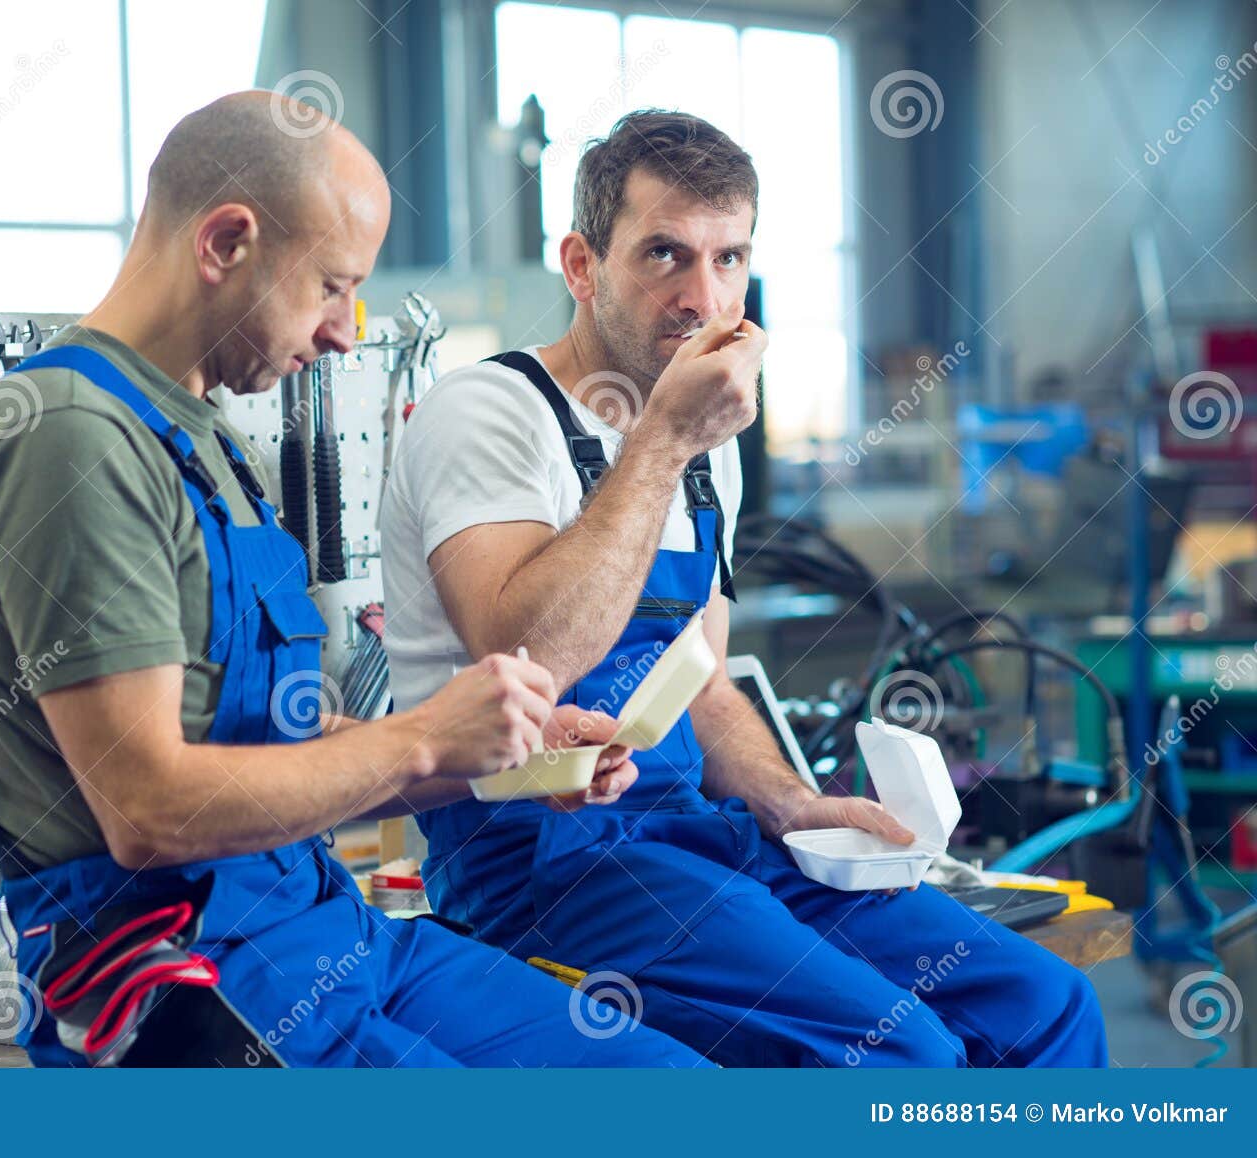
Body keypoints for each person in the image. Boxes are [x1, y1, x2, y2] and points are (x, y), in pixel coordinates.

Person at [0, 92, 707, 1069]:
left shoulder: (202, 435)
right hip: (193, 980)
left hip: (325, 931)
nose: (346, 332)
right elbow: (148, 809)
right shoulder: (72, 439)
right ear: (225, 243)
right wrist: (424, 738)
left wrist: (501, 751)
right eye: (332, 287)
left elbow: (269, 738)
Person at [379, 109, 1109, 1068]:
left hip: (705, 838)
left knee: (1046, 1004)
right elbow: (530, 662)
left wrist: (790, 803)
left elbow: (705, 683)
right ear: (581, 265)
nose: (703, 296)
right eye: (665, 256)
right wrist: (664, 440)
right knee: (903, 1058)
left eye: (730, 260)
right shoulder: (492, 414)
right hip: (548, 865)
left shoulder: (698, 451)